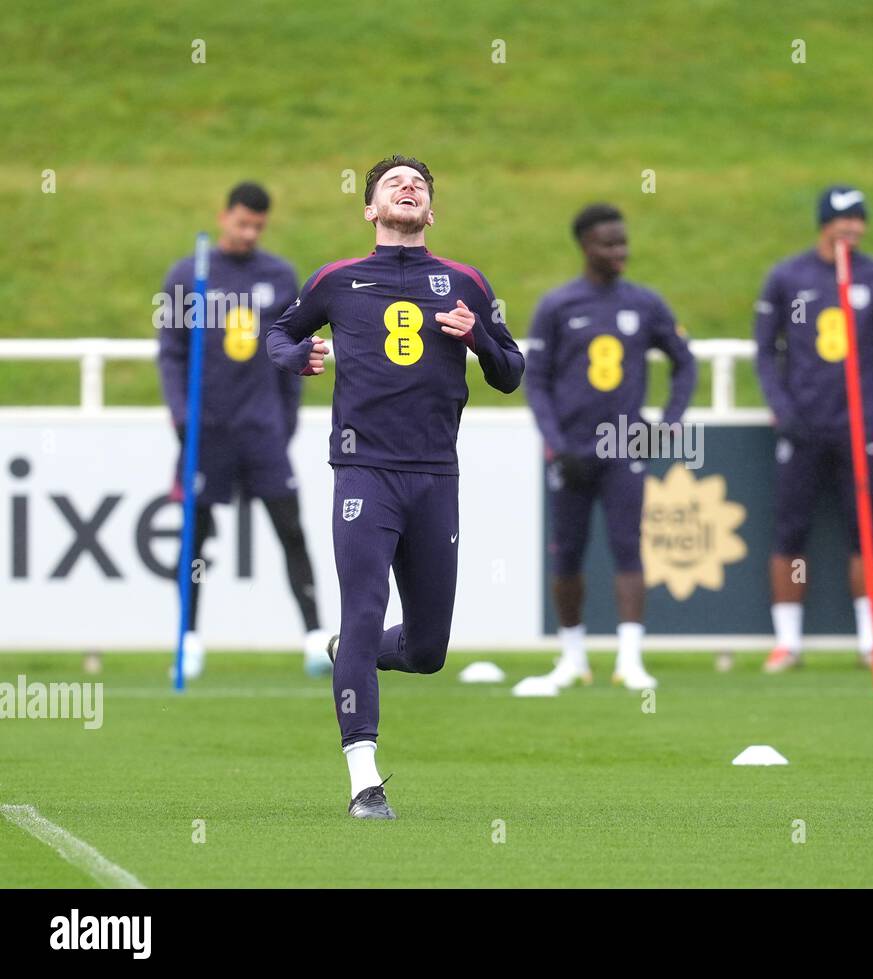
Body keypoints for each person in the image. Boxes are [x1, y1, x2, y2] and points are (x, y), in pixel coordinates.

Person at [266, 155, 524, 819]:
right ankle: (364, 782)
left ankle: (348, 652)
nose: (408, 188)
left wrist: (481, 341)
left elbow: (511, 370)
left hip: (436, 473)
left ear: (431, 212)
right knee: (362, 609)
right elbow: (278, 333)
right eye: (393, 183)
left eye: (419, 185)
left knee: (428, 649)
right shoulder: (336, 279)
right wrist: (300, 358)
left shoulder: (464, 281)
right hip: (363, 469)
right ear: (370, 208)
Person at [157, 181, 329, 679]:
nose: (249, 232)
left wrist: (286, 419)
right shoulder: (188, 275)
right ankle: (188, 639)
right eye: (241, 222)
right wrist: (180, 416)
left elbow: (294, 349)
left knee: (290, 529)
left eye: (258, 225)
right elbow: (171, 351)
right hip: (206, 429)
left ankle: (316, 637)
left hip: (262, 428)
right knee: (196, 538)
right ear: (223, 215)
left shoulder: (278, 276)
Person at [524, 203, 697, 692]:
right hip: (573, 449)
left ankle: (630, 658)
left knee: (628, 549)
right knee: (568, 556)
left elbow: (684, 362)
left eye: (623, 241)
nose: (620, 251)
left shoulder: (645, 303)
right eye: (609, 243)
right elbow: (535, 381)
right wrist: (556, 444)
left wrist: (670, 420)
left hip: (626, 445)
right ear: (584, 245)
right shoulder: (558, 305)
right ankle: (572, 656)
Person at [754, 186, 873, 674]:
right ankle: (787, 643)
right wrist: (783, 410)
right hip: (804, 424)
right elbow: (764, 350)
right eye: (843, 219)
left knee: (865, 533)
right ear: (824, 222)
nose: (852, 228)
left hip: (859, 425)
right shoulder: (788, 277)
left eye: (859, 219)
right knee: (789, 532)